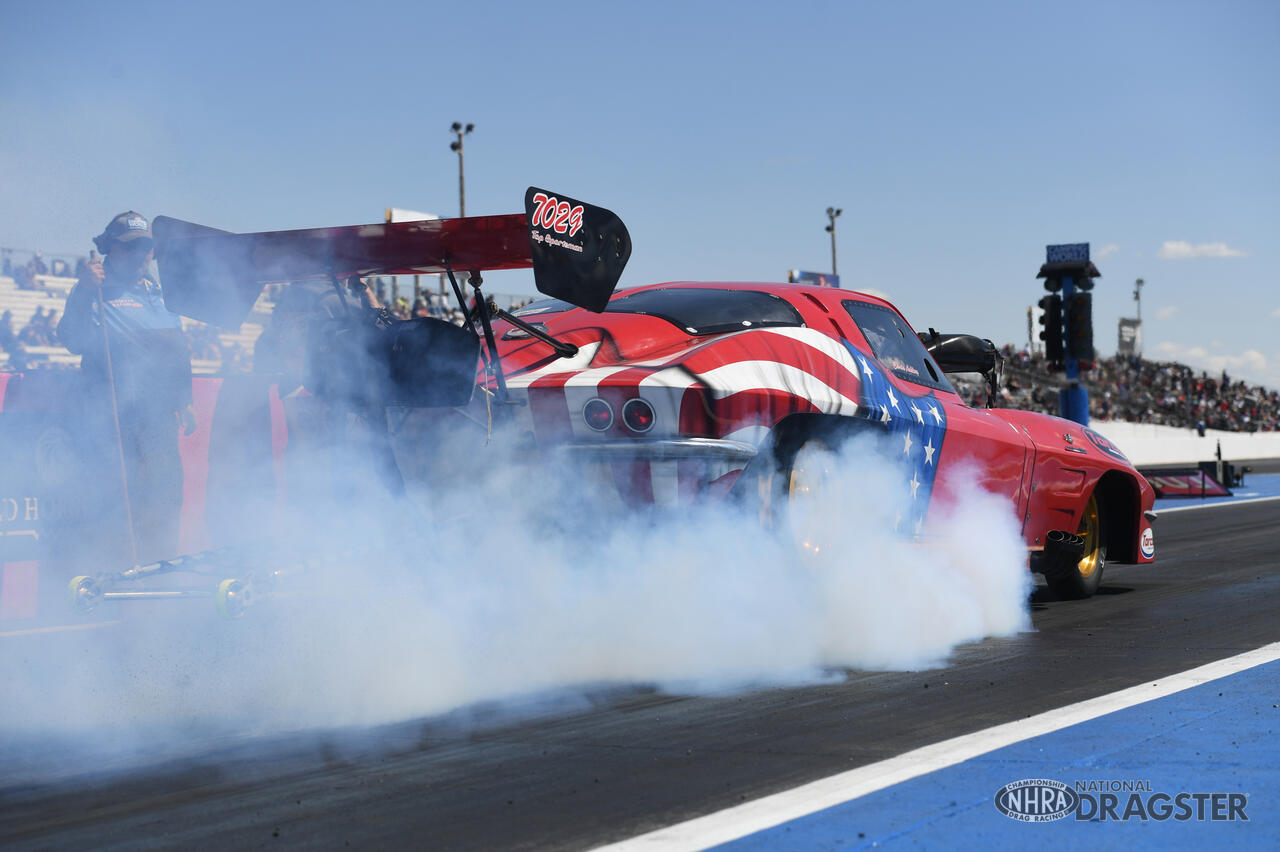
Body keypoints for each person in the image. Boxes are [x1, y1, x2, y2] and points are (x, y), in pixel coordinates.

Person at [58, 211, 196, 565]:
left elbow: (177, 350)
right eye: (132, 248)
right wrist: (84, 291)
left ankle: (160, 572)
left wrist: (186, 399)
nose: (141, 255)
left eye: (146, 248)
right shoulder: (94, 288)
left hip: (159, 420)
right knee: (118, 502)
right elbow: (71, 339)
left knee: (165, 496)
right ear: (111, 250)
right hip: (113, 421)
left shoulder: (160, 293)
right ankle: (114, 577)